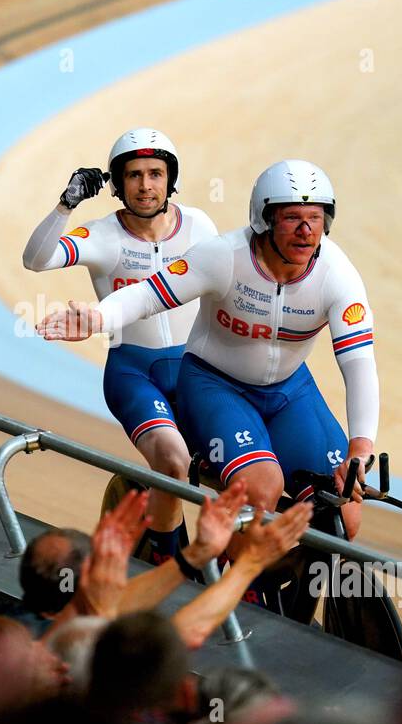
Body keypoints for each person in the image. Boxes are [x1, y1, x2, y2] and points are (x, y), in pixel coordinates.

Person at [38, 159, 378, 552]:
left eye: (316, 218)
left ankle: (293, 602)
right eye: (292, 218)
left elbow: (358, 364)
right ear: (265, 220)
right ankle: (237, 598)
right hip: (216, 385)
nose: (306, 231)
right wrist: (98, 317)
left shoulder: (337, 274)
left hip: (290, 392)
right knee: (262, 488)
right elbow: (149, 295)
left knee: (345, 517)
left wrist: (361, 447)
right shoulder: (225, 256)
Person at [23, 128, 218, 565]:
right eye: (133, 175)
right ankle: (172, 569)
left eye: (155, 174)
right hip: (136, 373)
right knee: (173, 462)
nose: (145, 185)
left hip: (200, 371)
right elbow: (35, 259)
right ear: (116, 183)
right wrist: (65, 204)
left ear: (171, 180)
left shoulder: (200, 225)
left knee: (240, 476)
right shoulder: (102, 236)